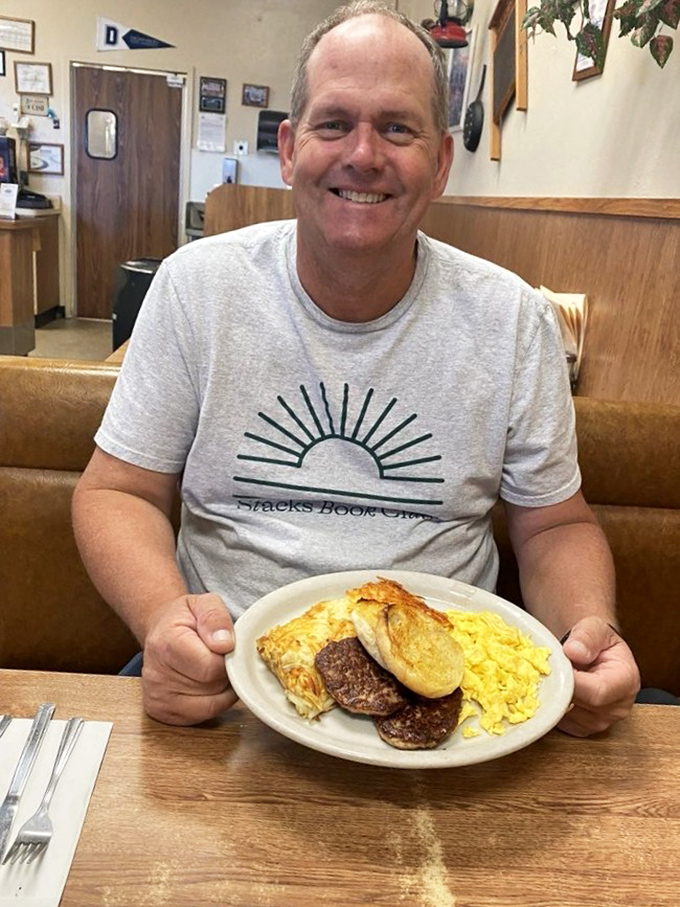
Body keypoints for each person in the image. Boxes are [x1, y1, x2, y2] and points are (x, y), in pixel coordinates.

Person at [72, 1, 640, 735]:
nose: (363, 154)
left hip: (446, 711)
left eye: (397, 127)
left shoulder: (511, 320)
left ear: (439, 162)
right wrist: (164, 620)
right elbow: (114, 492)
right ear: (288, 147)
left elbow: (555, 525)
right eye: (334, 123)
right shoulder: (196, 288)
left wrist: (591, 633)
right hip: (220, 687)